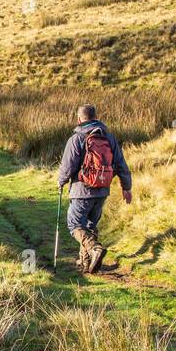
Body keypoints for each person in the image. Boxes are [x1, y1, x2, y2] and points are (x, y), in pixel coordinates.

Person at [57, 103, 132, 273]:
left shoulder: (76, 138)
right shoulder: (109, 138)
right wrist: (126, 187)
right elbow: (121, 164)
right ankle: (86, 264)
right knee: (89, 226)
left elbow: (68, 166)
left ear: (79, 119)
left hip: (82, 190)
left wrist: (61, 181)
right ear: (96, 117)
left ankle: (94, 249)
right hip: (102, 190)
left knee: (75, 224)